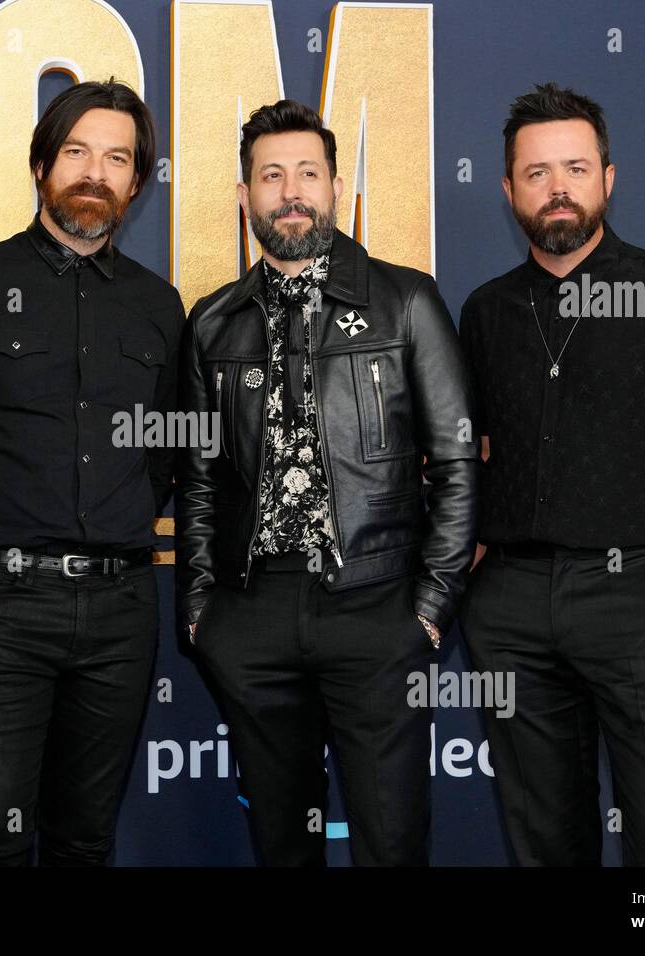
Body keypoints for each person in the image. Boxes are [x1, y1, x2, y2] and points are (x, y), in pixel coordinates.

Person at [175, 100, 478, 865]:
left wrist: (431, 612)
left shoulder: (406, 301)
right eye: (271, 176)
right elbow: (201, 480)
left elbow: (456, 462)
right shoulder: (212, 323)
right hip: (252, 615)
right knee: (281, 843)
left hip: (377, 608)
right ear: (244, 196)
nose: (291, 191)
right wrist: (202, 614)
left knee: (391, 839)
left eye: (308, 172)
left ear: (337, 186)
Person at [458, 82, 645, 866]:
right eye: (538, 172)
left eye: (576, 169)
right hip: (511, 607)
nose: (558, 187)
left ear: (608, 180)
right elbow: (473, 457)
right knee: (546, 843)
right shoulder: (484, 312)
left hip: (638, 598)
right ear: (508, 189)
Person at [0, 79, 184, 866]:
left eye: (117, 158)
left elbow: (168, 451)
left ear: (137, 183)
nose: (94, 173)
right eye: (76, 152)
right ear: (41, 164)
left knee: (84, 838)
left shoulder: (159, 306)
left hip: (120, 607)